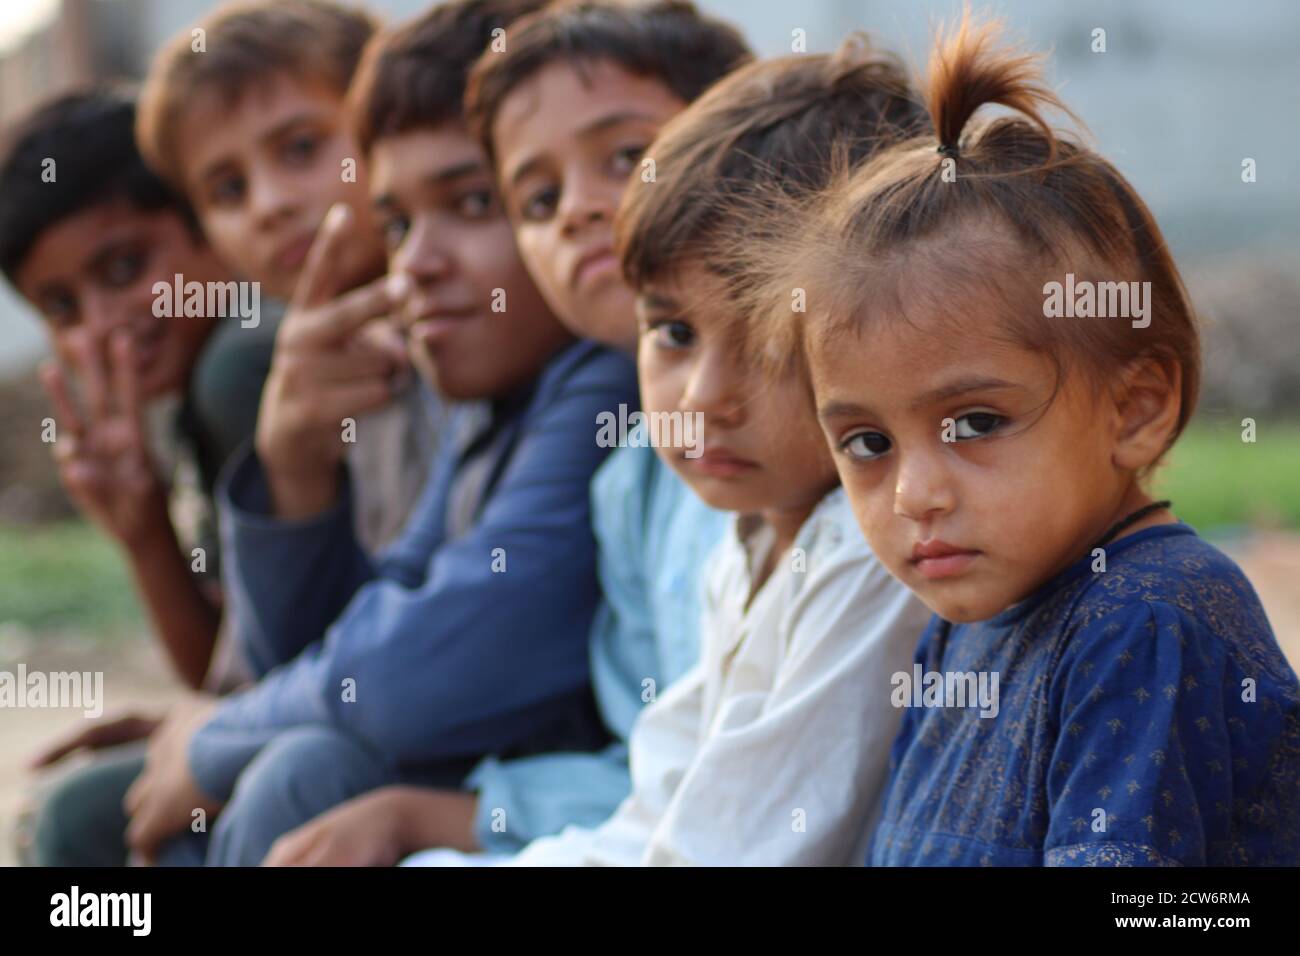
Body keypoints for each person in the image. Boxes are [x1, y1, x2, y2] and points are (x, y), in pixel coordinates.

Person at [748, 12, 1300, 866]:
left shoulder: (1145, 620)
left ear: (1136, 408)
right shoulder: (967, 616)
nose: (913, 493)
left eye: (974, 423)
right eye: (866, 442)